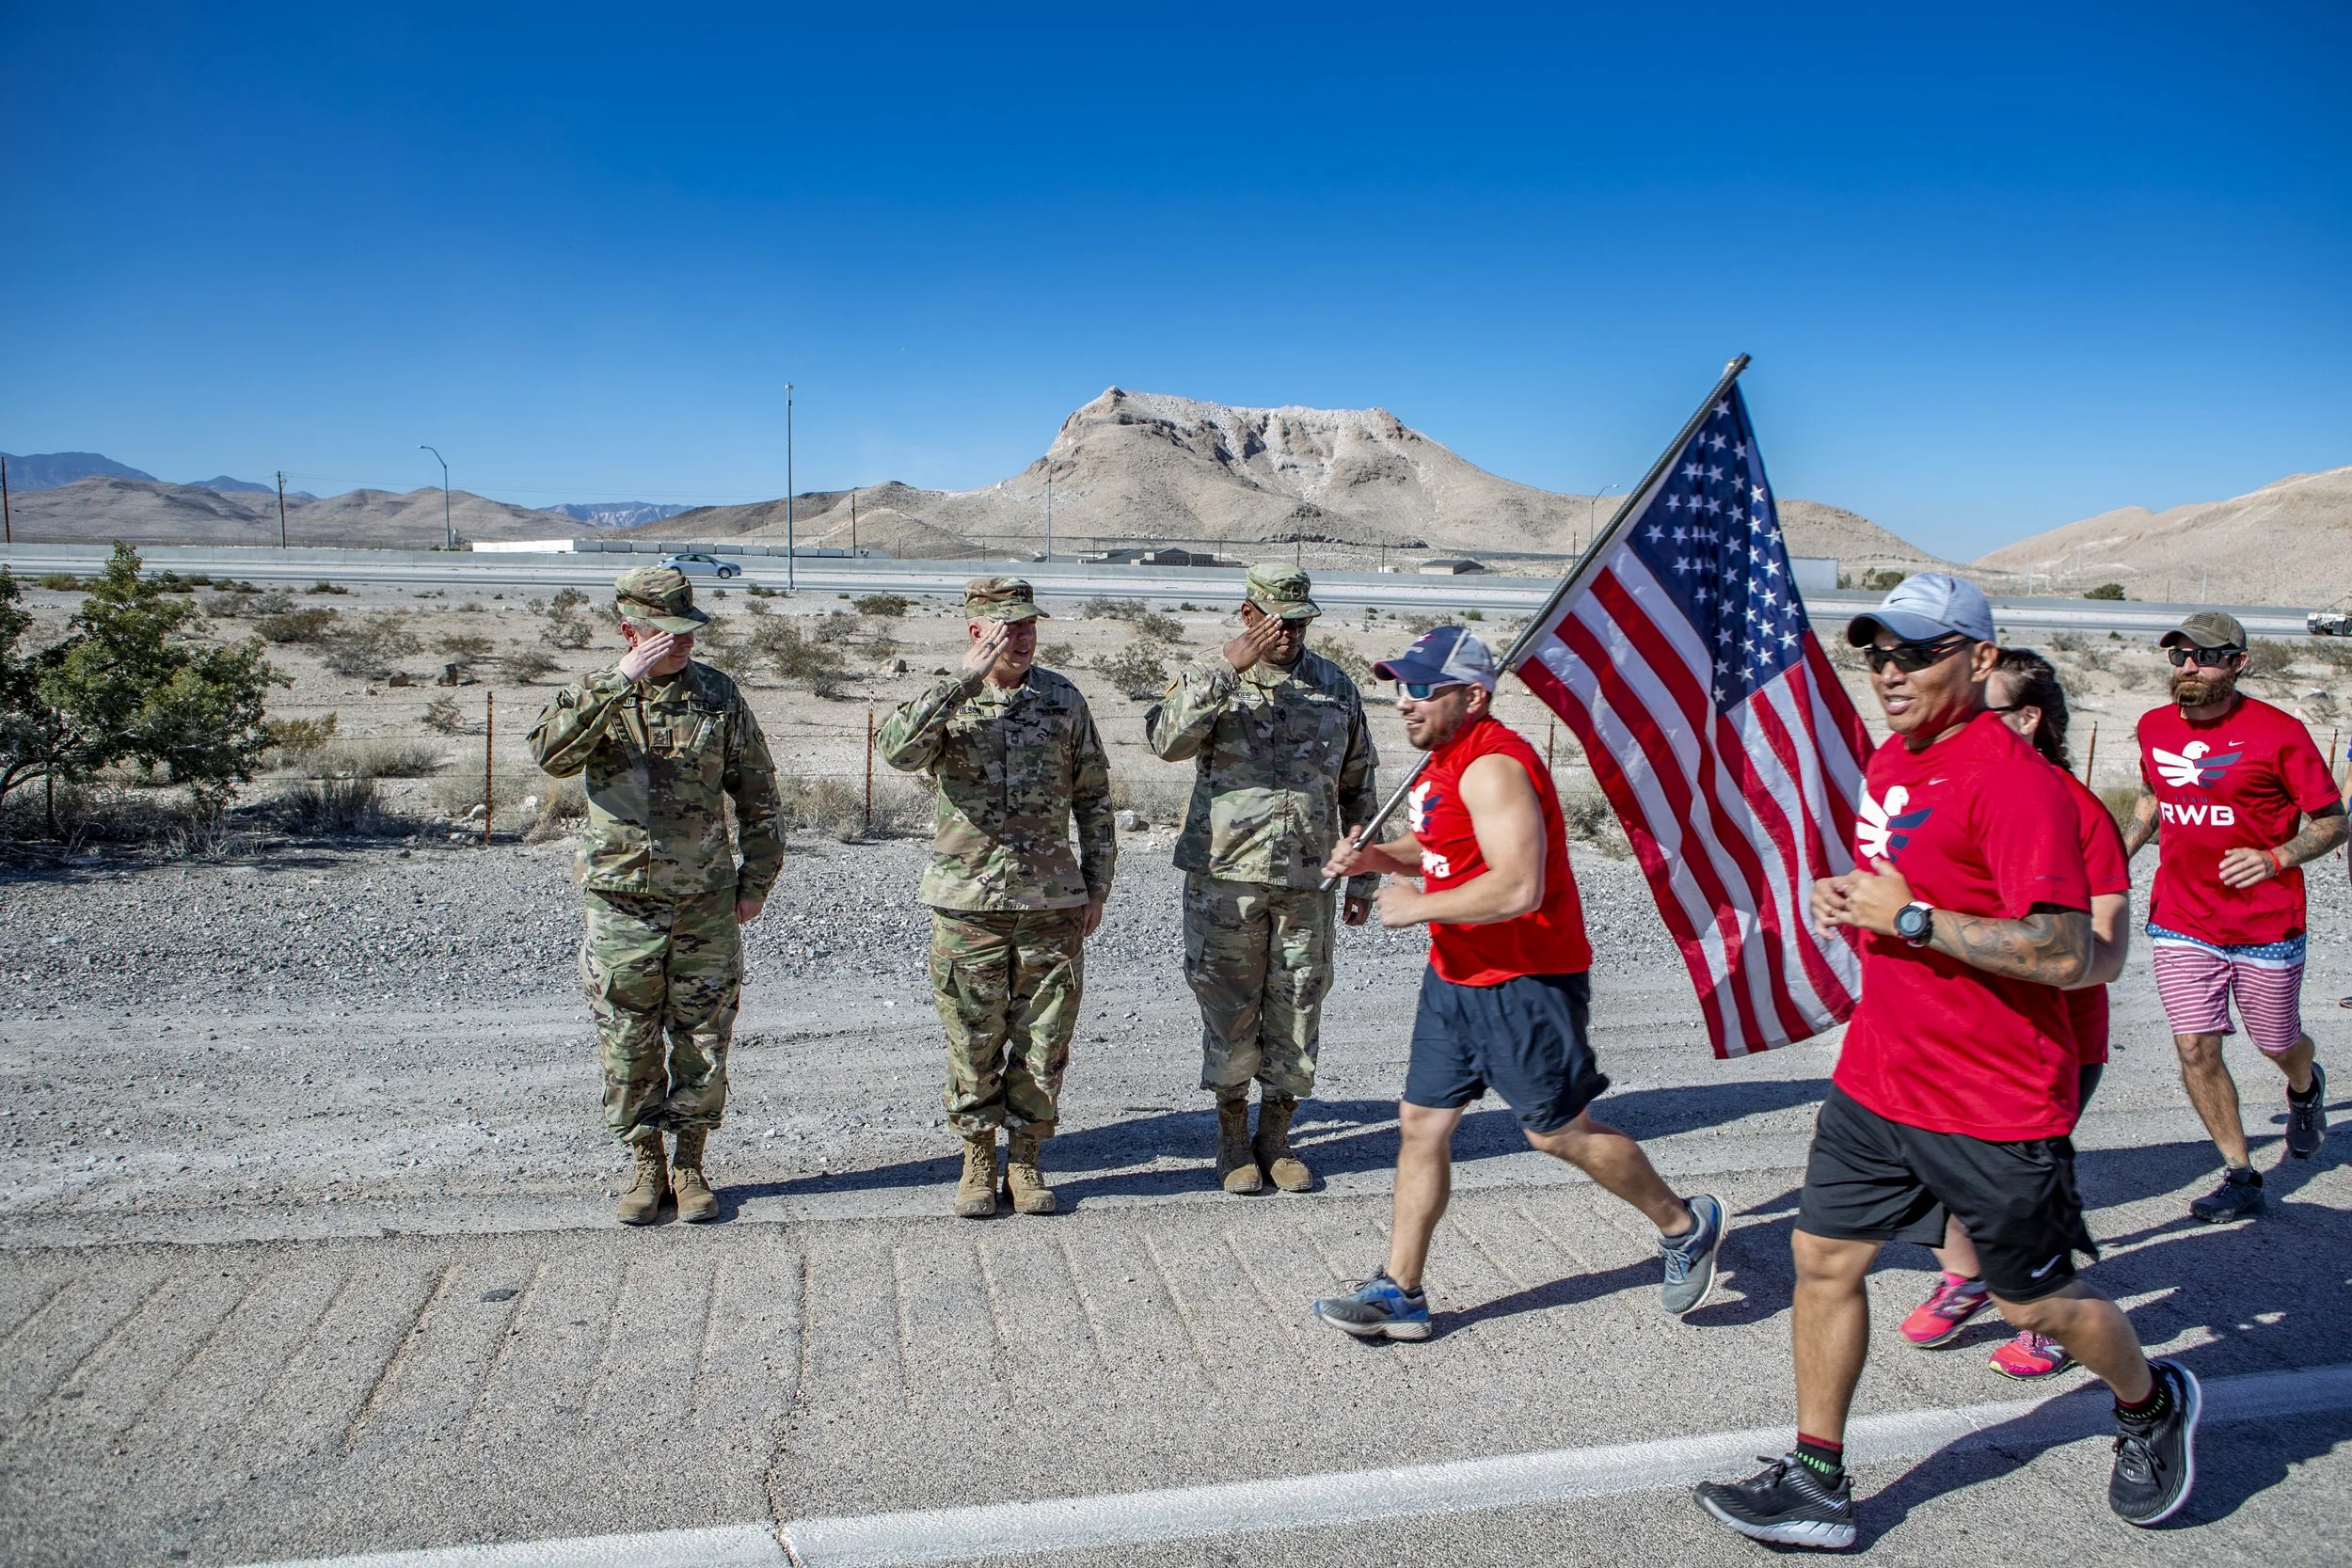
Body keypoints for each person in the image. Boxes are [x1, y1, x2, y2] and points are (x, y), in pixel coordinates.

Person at [1696, 575, 2198, 1547]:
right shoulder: (1892, 758)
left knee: (2033, 1300)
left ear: (1976, 658)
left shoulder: (2013, 785)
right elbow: (1909, 883)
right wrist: (1857, 898)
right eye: (1877, 654)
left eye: (1915, 652)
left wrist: (1913, 918)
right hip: (1877, 1075)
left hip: (1991, 1093)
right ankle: (1816, 1479)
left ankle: (2148, 1400)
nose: (1889, 672)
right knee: (1823, 1258)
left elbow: (2063, 953)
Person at [1311, 627, 1724, 1339]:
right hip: (1457, 976)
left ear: (1474, 695)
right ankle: (1401, 1290)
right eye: (1398, 687)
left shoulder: (1495, 765)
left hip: (1527, 980)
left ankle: (1684, 1223)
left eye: (1420, 689)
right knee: (1421, 1123)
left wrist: (1416, 905)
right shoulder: (1445, 762)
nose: (1403, 703)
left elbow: (1519, 886)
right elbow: (1444, 844)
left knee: (1557, 1133)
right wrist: (1378, 855)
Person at [1894, 647, 2131, 1380]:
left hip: (2042, 1040)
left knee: (2015, 1193)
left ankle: (2052, 1313)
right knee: (1924, 1170)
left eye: (1980, 707)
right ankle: (1968, 1276)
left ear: (2028, 720)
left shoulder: (2074, 809)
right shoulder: (1949, 788)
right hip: (1947, 1026)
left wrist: (2008, 955)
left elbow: (2106, 950)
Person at [528, 565, 784, 1226]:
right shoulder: (596, 694)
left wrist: (756, 881)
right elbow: (551, 756)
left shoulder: (719, 697)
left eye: (687, 631)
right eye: (664, 633)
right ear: (630, 630)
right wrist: (620, 681)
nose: (681, 644)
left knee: (703, 1035)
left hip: (704, 901)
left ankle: (691, 1161)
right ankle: (646, 1161)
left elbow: (758, 792)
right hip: (622, 903)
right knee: (628, 1038)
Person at [879, 578, 1116, 1218]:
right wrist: (959, 682)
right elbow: (896, 750)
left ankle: (1028, 1160)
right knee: (973, 1038)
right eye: (1008, 627)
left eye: (1030, 624)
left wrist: (1097, 884)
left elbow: (1094, 797)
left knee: (1043, 1040)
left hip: (1050, 904)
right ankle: (978, 1158)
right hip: (969, 903)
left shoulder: (1063, 699)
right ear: (976, 631)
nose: (1024, 636)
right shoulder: (948, 701)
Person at [1145, 562, 1378, 1195]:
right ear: (1248, 614)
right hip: (1227, 877)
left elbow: (1359, 785)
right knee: (1229, 1008)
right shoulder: (1212, 676)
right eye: (1278, 620)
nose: (1290, 634)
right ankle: (1230, 1140)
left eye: (1300, 622)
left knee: (1299, 1004)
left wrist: (1363, 879)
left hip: (1309, 880)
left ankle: (1276, 1137)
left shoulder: (1334, 686)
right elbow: (1166, 741)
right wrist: (1225, 667)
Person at [2123, 610, 2342, 1222]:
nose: (2189, 666)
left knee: (2277, 1040)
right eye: (2179, 655)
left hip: (2266, 924)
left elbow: (2332, 820)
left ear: (2239, 663)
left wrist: (2277, 856)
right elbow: (2152, 797)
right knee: (2195, 1046)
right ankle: (2241, 1173)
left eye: (2205, 655)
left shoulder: (2280, 733)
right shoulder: (2153, 727)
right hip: (2183, 919)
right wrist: (2117, 855)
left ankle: (2305, 1085)